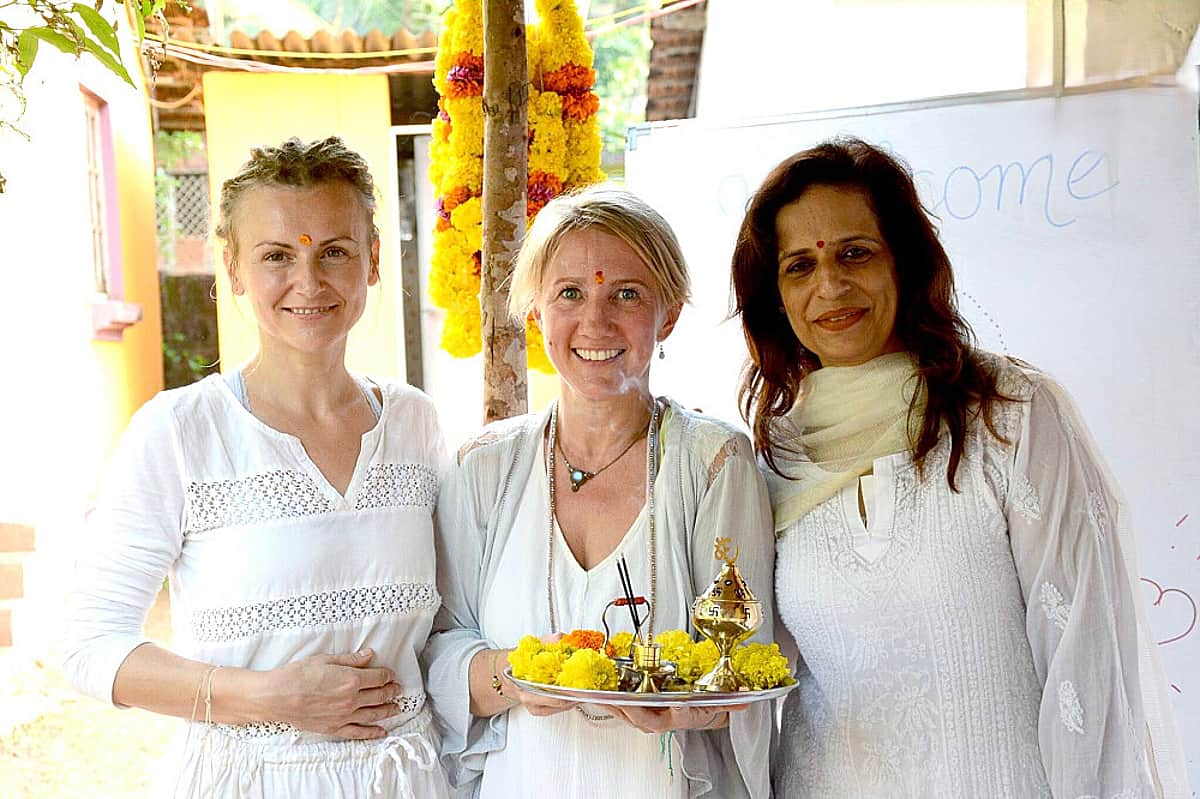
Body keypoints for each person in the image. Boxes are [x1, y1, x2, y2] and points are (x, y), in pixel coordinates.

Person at [731, 137, 1190, 798]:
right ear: (774, 295)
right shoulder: (773, 456)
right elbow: (739, 671)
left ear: (906, 262)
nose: (830, 285)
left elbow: (1087, 660)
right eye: (798, 265)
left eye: (855, 252)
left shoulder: (1011, 413)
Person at [62, 136, 452, 798]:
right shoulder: (180, 432)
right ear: (235, 269)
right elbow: (89, 646)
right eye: (277, 256)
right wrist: (271, 696)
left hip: (406, 780)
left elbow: (442, 628)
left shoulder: (416, 423)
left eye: (335, 251)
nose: (309, 280)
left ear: (374, 262)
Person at [423, 185, 776, 799]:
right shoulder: (484, 466)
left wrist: (683, 707)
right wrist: (519, 677)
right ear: (537, 313)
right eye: (569, 294)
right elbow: (440, 652)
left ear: (668, 314)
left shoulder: (714, 461)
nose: (596, 321)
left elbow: (743, 662)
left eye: (626, 294)